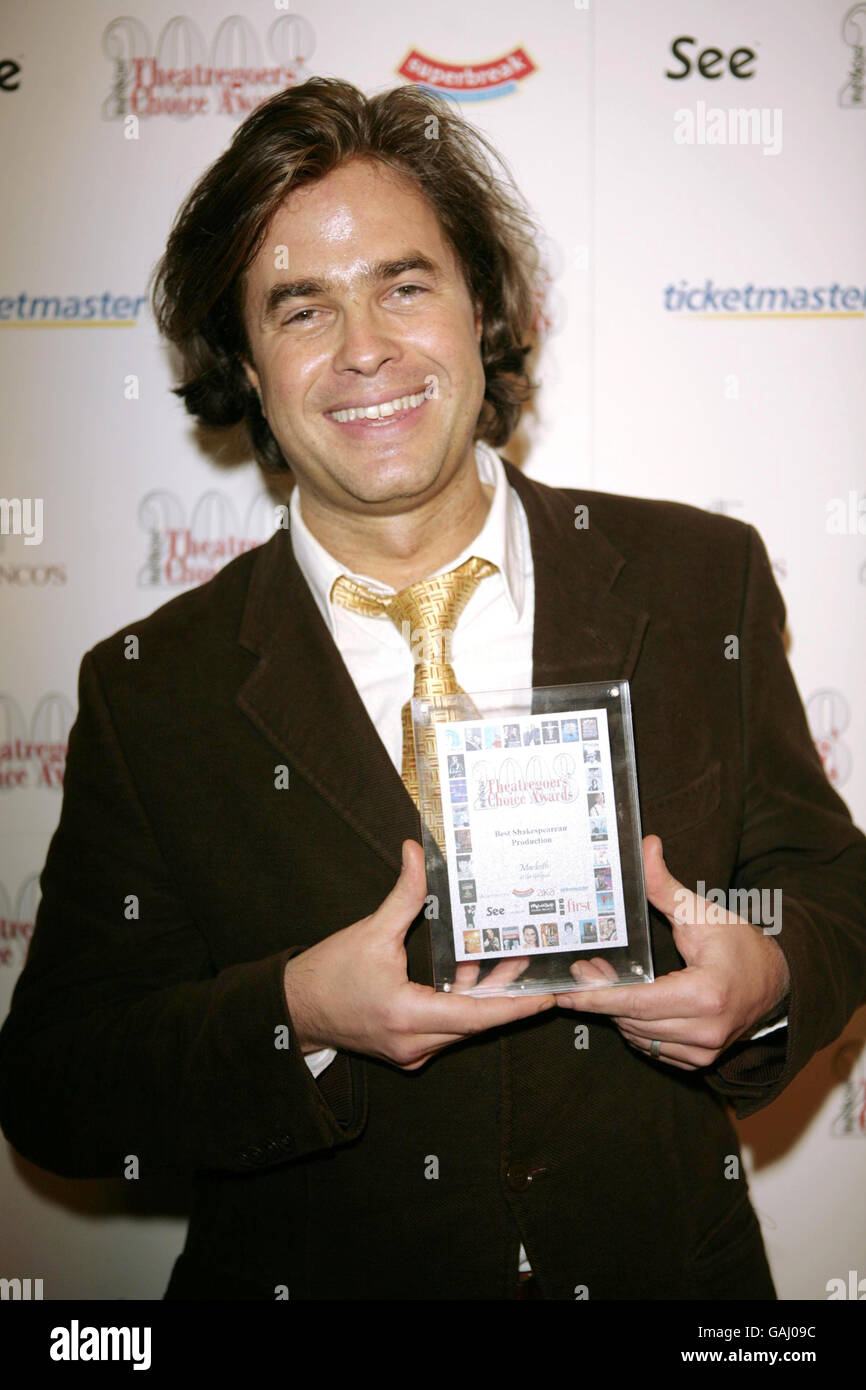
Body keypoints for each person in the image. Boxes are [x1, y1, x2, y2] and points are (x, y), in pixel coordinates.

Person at [1, 77, 865, 1302]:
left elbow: (824, 883)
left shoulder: (694, 580)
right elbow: (60, 1085)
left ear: (482, 309)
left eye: (405, 285)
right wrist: (297, 1009)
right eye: (301, 310)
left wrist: (766, 975)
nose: (366, 350)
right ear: (244, 365)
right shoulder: (156, 688)